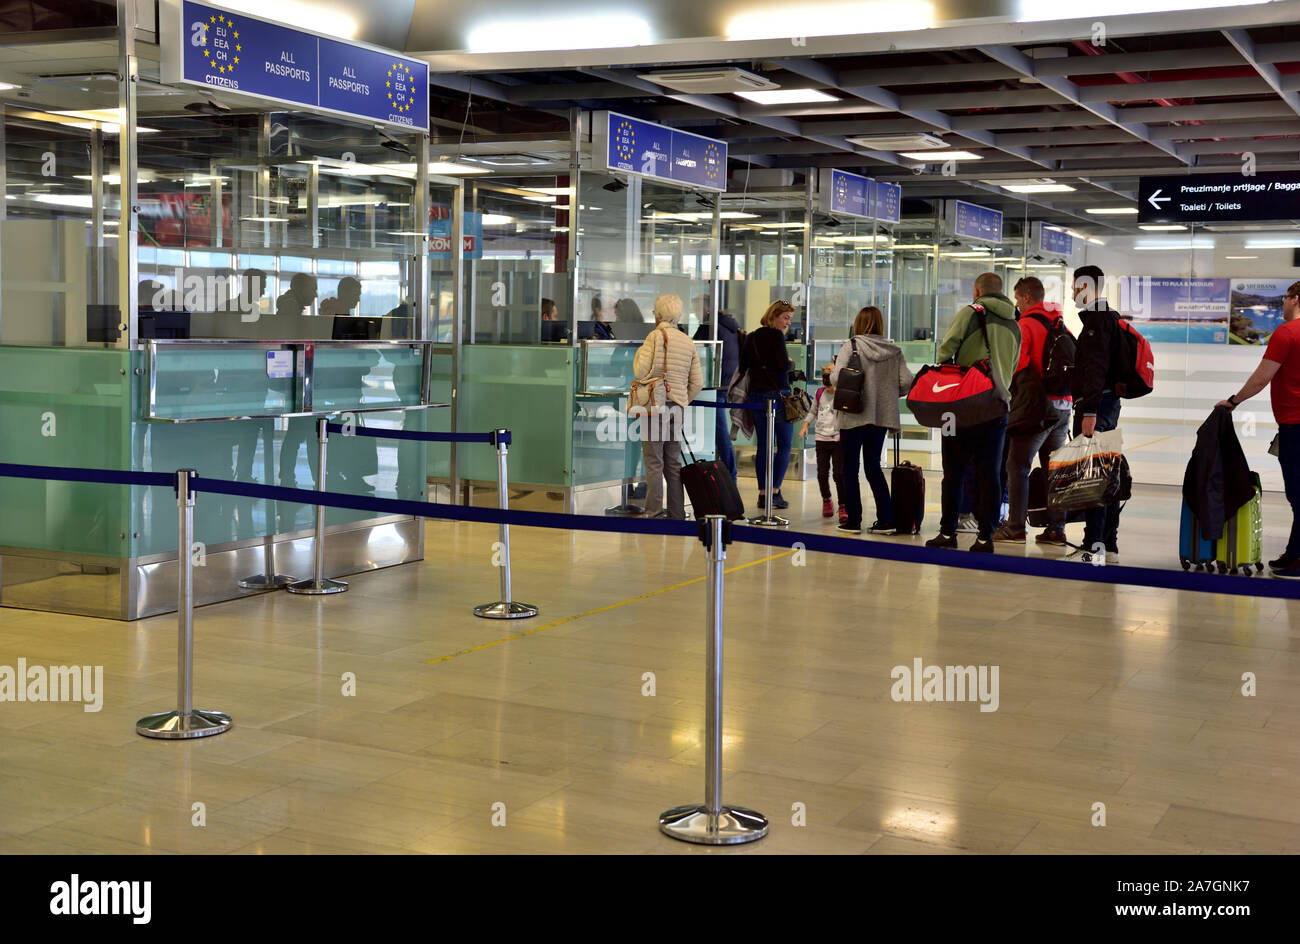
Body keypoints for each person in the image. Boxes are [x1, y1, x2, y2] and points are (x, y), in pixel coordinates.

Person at [925, 272, 1021, 552]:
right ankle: (985, 536)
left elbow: (946, 350)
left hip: (958, 408)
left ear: (977, 290)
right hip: (996, 407)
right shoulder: (1015, 323)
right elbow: (1013, 366)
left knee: (953, 471)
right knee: (989, 473)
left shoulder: (970, 312)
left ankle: (947, 532)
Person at [1217, 280, 1300, 577]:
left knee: (1298, 494)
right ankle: (1293, 553)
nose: (1282, 304)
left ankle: (1298, 559)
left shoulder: (1287, 332)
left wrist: (1233, 401)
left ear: (1296, 298)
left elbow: (1261, 377)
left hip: (1296, 424)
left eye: (1286, 298)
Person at [995, 276, 1073, 545]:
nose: (1016, 303)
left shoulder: (1025, 325)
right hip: (1064, 406)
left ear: (1027, 297)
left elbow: (1019, 365)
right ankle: (1056, 529)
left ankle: (1016, 526)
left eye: (1017, 298)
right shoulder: (1059, 322)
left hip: (1037, 408)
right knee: (1054, 469)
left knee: (1017, 464)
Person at [831, 305, 913, 534]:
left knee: (849, 468)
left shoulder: (852, 346)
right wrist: (885, 394)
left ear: (858, 323)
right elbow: (906, 381)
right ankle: (886, 519)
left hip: (853, 414)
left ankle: (854, 520)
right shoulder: (894, 351)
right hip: (880, 417)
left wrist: (830, 372)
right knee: (873, 467)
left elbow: (837, 377)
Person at [1064, 264, 1125, 565]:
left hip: (1096, 407)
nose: (1073, 292)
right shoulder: (1108, 317)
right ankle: (1107, 540)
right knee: (1106, 471)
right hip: (1107, 405)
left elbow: (1096, 368)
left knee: (1093, 475)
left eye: (1076, 287)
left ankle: (1094, 543)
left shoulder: (1097, 321)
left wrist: (1088, 410)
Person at [631, 294, 703, 519]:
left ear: (659, 315)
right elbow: (698, 382)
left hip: (655, 406)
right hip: (677, 406)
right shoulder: (687, 340)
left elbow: (640, 371)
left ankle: (653, 512)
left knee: (654, 461)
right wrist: (682, 399)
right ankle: (676, 513)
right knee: (673, 462)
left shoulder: (654, 337)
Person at [740, 300, 797, 509]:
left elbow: (744, 364)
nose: (787, 323)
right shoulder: (776, 336)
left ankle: (763, 494)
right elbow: (782, 365)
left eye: (790, 319)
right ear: (773, 315)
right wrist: (790, 362)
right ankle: (775, 492)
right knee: (784, 445)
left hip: (756, 397)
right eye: (785, 318)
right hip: (778, 396)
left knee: (764, 445)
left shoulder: (752, 337)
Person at [694, 308, 742, 479]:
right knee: (718, 432)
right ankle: (726, 474)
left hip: (714, 385)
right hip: (727, 383)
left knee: (719, 433)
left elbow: (695, 348)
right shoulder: (730, 326)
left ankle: (730, 475)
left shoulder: (710, 326)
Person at [800, 363, 847, 522]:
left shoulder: (841, 394)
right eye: (827, 386)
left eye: (831, 386)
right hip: (821, 438)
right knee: (821, 473)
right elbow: (813, 411)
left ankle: (843, 505)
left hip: (837, 438)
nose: (829, 390)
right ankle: (826, 499)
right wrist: (805, 425)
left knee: (838, 474)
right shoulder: (820, 393)